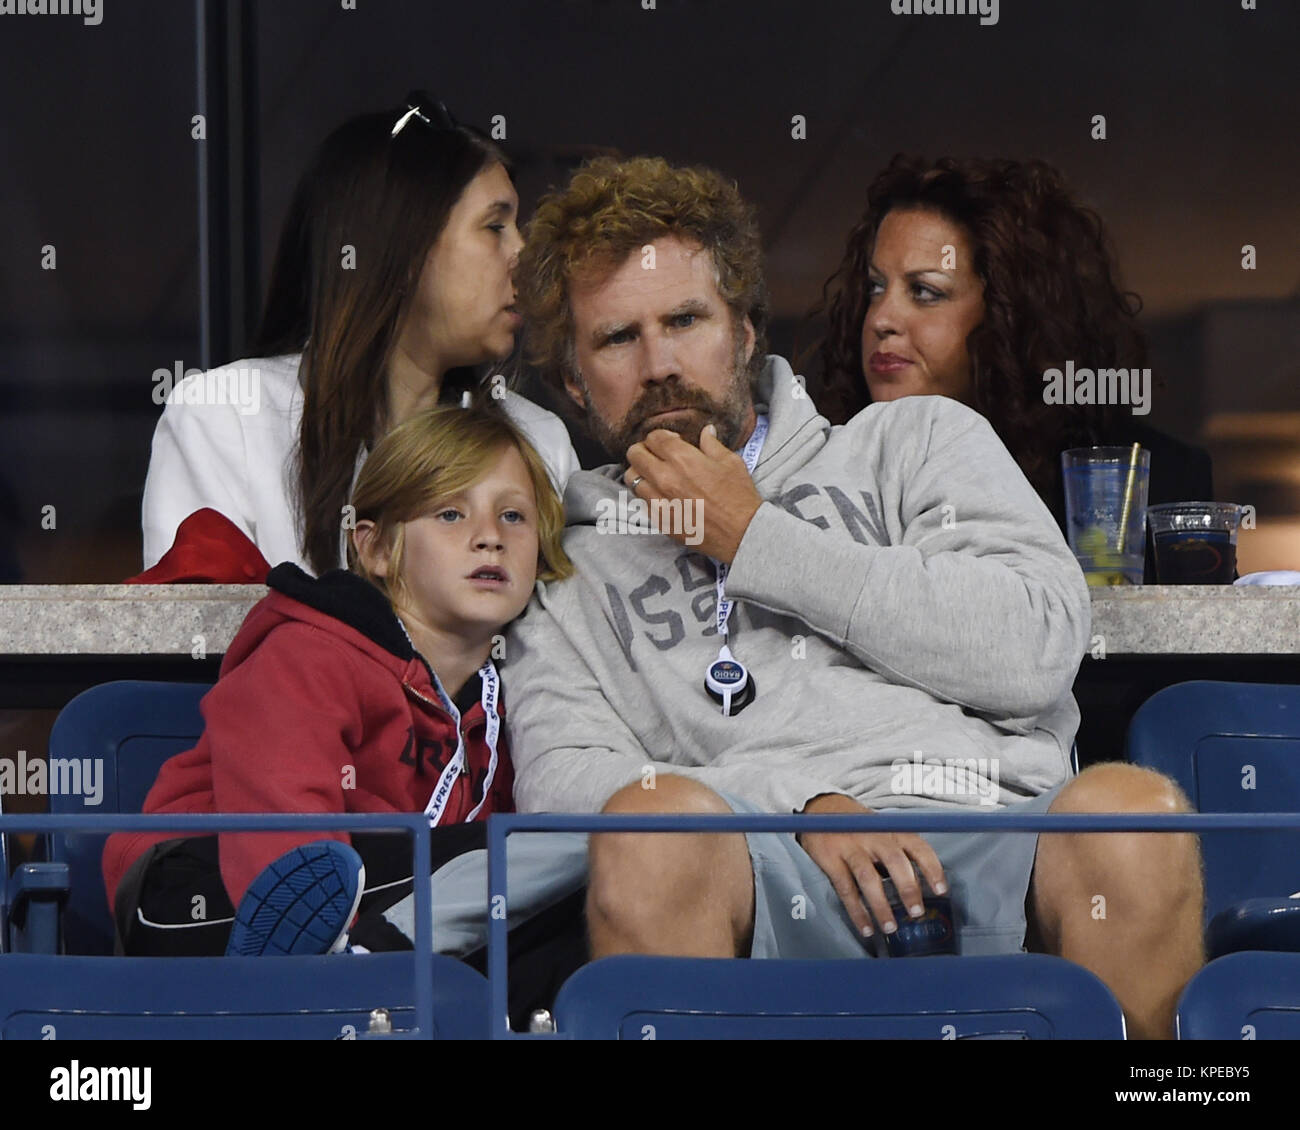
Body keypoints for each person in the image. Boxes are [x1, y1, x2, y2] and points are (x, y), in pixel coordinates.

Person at [506, 154, 1204, 1039]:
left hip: (989, 832)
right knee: (649, 832)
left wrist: (758, 540)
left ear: (747, 333)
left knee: (1134, 814)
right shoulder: (567, 565)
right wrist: (801, 805)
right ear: (573, 384)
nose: (659, 366)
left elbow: (1033, 646)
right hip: (755, 866)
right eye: (616, 339)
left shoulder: (915, 438)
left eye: (686, 319)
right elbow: (566, 791)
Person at [106, 406, 585, 1016]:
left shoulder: (516, 694)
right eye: (450, 513)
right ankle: (334, 983)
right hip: (198, 894)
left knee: (568, 906)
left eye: (513, 516)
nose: (490, 535)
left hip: (387, 905)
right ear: (377, 548)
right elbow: (282, 817)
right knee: (533, 853)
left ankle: (370, 967)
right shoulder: (313, 647)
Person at [142, 93, 579, 577]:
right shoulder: (224, 416)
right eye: (495, 226)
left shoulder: (538, 441)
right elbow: (194, 642)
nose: (521, 252)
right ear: (402, 244)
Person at [816, 155, 1213, 581]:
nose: (880, 319)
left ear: (1010, 316)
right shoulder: (824, 473)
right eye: (876, 287)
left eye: (925, 291)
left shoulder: (1131, 479)